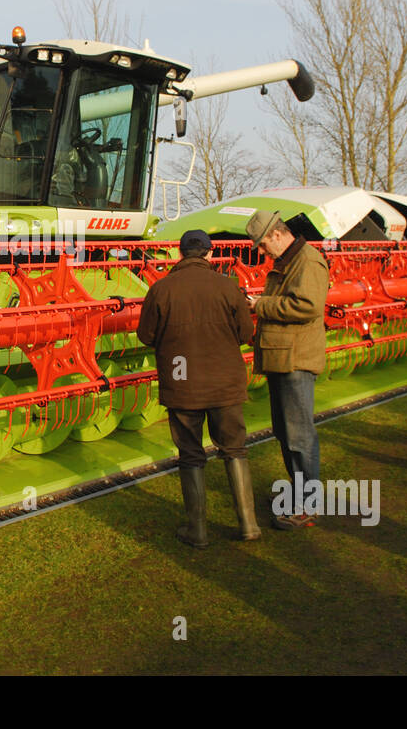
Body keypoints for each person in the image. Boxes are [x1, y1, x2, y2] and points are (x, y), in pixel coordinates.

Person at [137, 229, 261, 547]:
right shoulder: (228, 287)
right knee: (234, 448)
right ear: (209, 253)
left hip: (182, 382)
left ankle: (198, 531)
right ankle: (248, 525)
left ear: (181, 254)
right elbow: (246, 332)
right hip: (225, 382)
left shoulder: (161, 289)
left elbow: (146, 335)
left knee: (191, 454)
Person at [242, 210, 329, 529]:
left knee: (299, 435)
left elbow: (307, 306)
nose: (263, 253)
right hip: (284, 356)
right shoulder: (292, 261)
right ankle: (299, 493)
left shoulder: (307, 261)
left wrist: (259, 305)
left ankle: (308, 503)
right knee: (287, 432)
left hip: (295, 359)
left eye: (263, 246)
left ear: (277, 235)